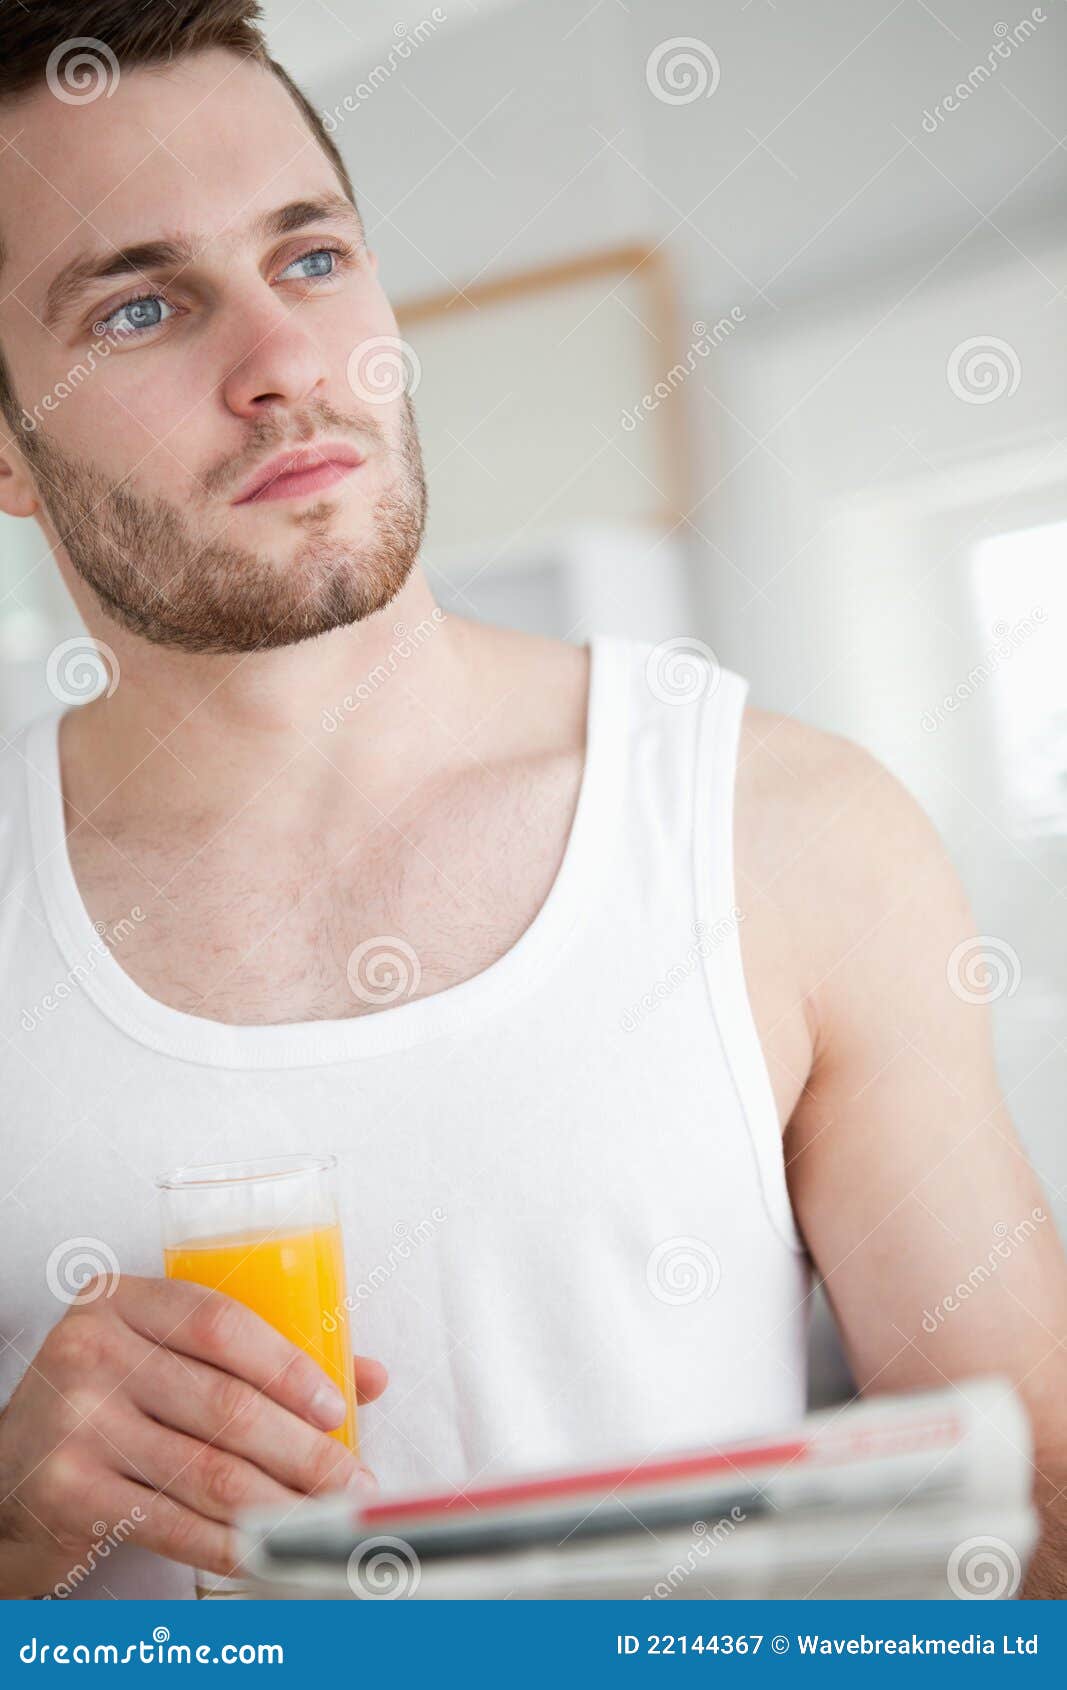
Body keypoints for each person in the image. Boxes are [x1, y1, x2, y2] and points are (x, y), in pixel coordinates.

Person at [0, 2, 1063, 1602]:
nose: (285, 363)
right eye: (144, 307)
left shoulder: (787, 835)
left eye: (310, 260)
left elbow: (1038, 1520)